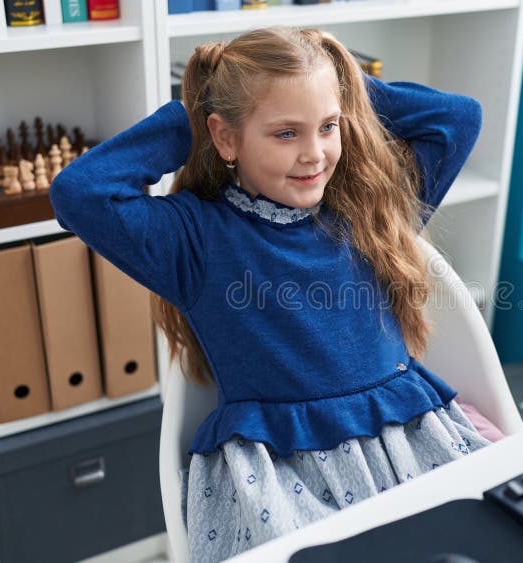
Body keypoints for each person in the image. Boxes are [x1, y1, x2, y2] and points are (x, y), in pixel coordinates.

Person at [50, 26, 494, 562]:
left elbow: (458, 117)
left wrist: (337, 86)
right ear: (226, 138)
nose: (315, 154)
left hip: (408, 443)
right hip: (285, 474)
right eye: (286, 133)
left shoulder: (368, 207)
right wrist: (192, 119)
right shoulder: (193, 237)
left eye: (328, 127)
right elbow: (79, 193)